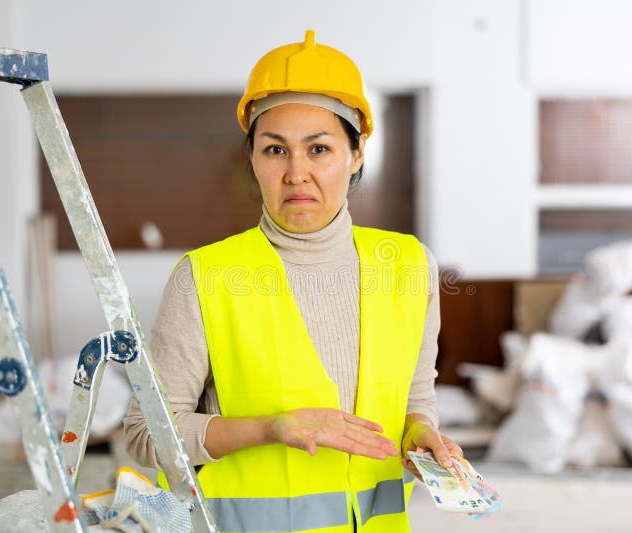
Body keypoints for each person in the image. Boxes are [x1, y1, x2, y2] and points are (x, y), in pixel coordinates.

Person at [124, 29, 463, 533]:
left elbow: (416, 403)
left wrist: (423, 438)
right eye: (275, 150)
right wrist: (271, 428)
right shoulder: (206, 277)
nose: (296, 173)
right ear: (253, 158)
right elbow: (145, 435)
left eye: (319, 149)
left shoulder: (409, 266)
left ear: (357, 154)